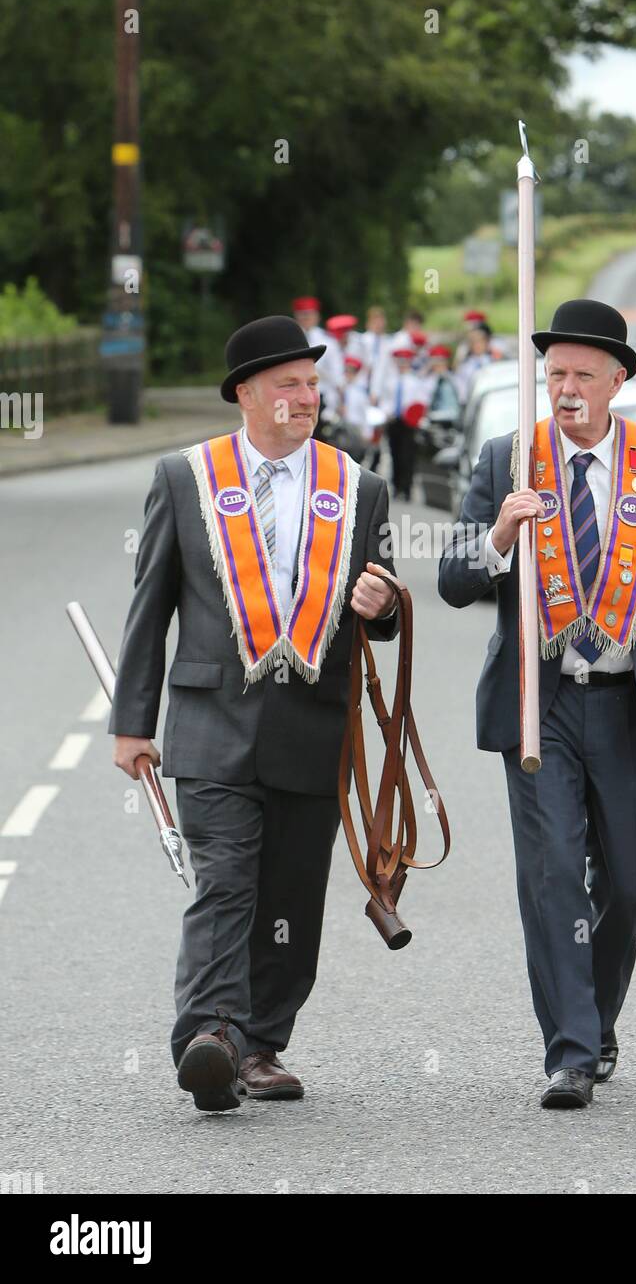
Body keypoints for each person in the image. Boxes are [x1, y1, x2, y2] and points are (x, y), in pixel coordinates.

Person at [438, 299, 636, 1110]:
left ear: (617, 380)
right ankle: (570, 1051)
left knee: (629, 882)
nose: (566, 389)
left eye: (581, 375)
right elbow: (453, 581)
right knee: (551, 879)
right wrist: (499, 535)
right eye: (554, 375)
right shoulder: (509, 461)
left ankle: (597, 1018)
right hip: (537, 701)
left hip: (632, 710)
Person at [108, 315, 399, 1113]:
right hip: (210, 723)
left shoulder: (358, 485)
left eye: (312, 383)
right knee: (225, 883)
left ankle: (261, 1041)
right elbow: (151, 606)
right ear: (245, 395)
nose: (306, 398)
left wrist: (382, 602)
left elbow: (385, 597)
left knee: (292, 896)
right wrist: (133, 722)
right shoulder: (184, 477)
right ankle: (209, 1036)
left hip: (313, 725)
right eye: (288, 385)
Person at [380, 344, 431, 500]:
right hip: (394, 421)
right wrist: (386, 412)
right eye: (399, 361)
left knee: (407, 455)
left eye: (405, 361)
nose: (402, 365)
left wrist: (414, 414)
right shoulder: (390, 381)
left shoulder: (415, 381)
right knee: (394, 454)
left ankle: (407, 488)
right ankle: (396, 486)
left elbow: (422, 401)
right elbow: (386, 400)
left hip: (409, 422)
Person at [292, 296, 343, 427]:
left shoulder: (328, 340)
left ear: (317, 316)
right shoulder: (289, 339)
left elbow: (337, 372)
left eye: (309, 314)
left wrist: (340, 399)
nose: (306, 318)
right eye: (303, 315)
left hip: (321, 394)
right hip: (295, 395)